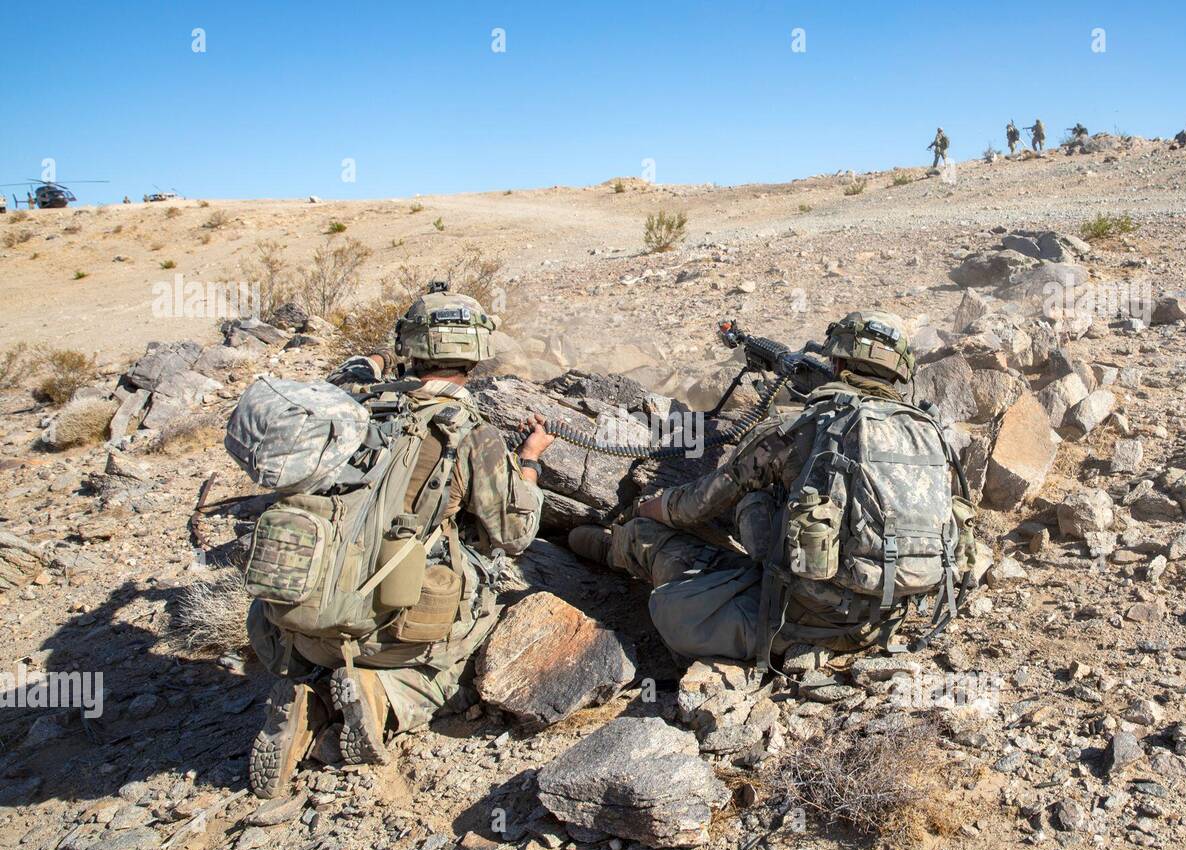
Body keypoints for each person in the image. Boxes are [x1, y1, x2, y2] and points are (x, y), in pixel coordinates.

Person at [246, 286, 553, 797]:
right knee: (476, 627)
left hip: (293, 628)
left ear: (410, 345)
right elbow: (514, 534)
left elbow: (355, 368)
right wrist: (529, 463)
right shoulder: (471, 432)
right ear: (476, 352)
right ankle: (379, 696)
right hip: (391, 633)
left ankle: (304, 688)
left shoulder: (345, 408)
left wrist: (386, 354)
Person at [569, 311, 970, 668]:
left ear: (838, 361)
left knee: (670, 599)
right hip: (884, 619)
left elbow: (697, 504)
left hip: (803, 618)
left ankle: (614, 547)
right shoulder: (929, 433)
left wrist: (650, 507)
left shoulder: (808, 425)